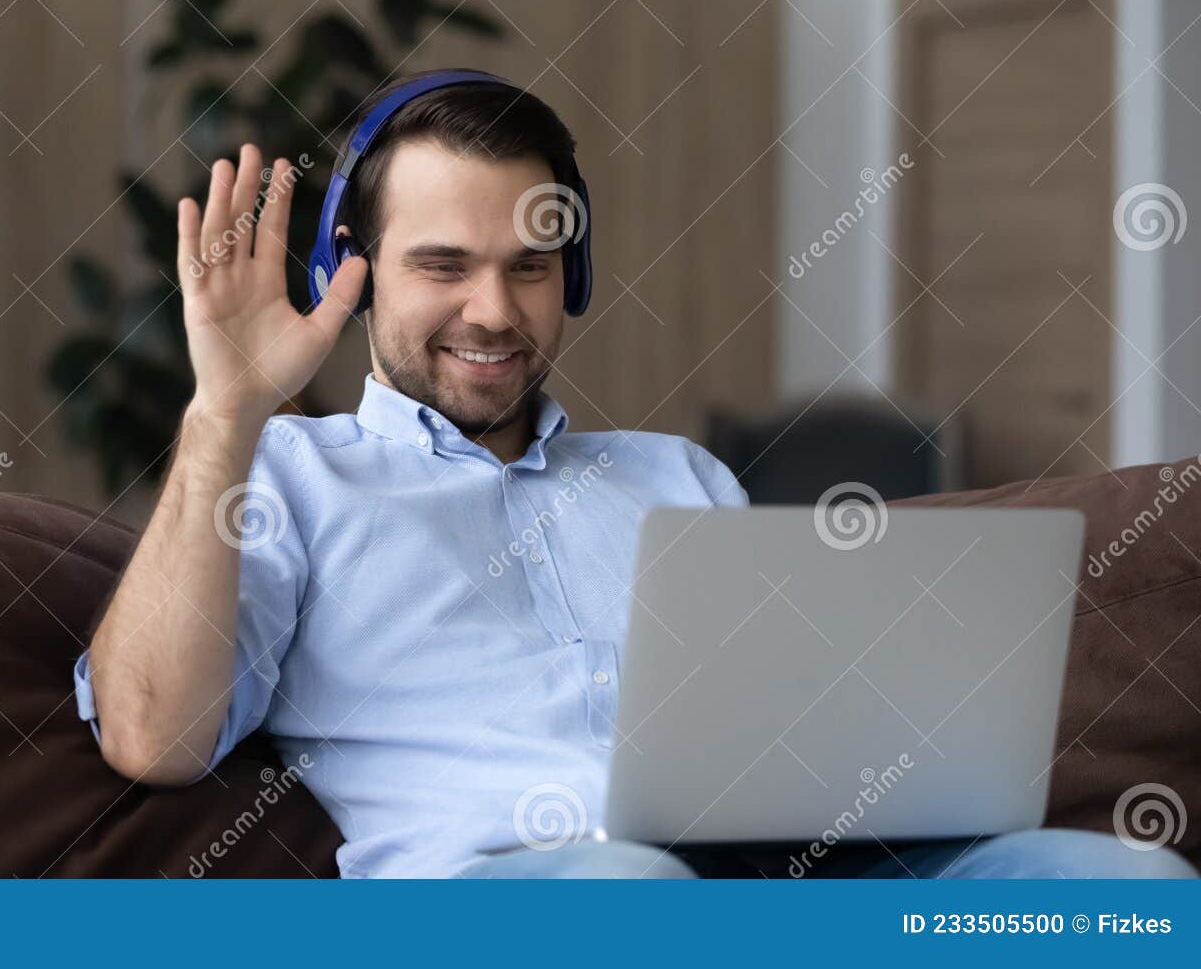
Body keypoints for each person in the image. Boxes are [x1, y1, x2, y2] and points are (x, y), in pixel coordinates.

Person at [73, 71, 1195, 880]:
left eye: (530, 266)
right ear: (349, 275)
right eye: (443, 266)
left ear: (573, 274)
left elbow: (799, 727)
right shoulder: (287, 474)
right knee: (633, 887)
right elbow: (148, 733)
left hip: (772, 877)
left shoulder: (679, 476)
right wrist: (225, 410)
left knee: (1123, 883)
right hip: (515, 892)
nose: (493, 310)